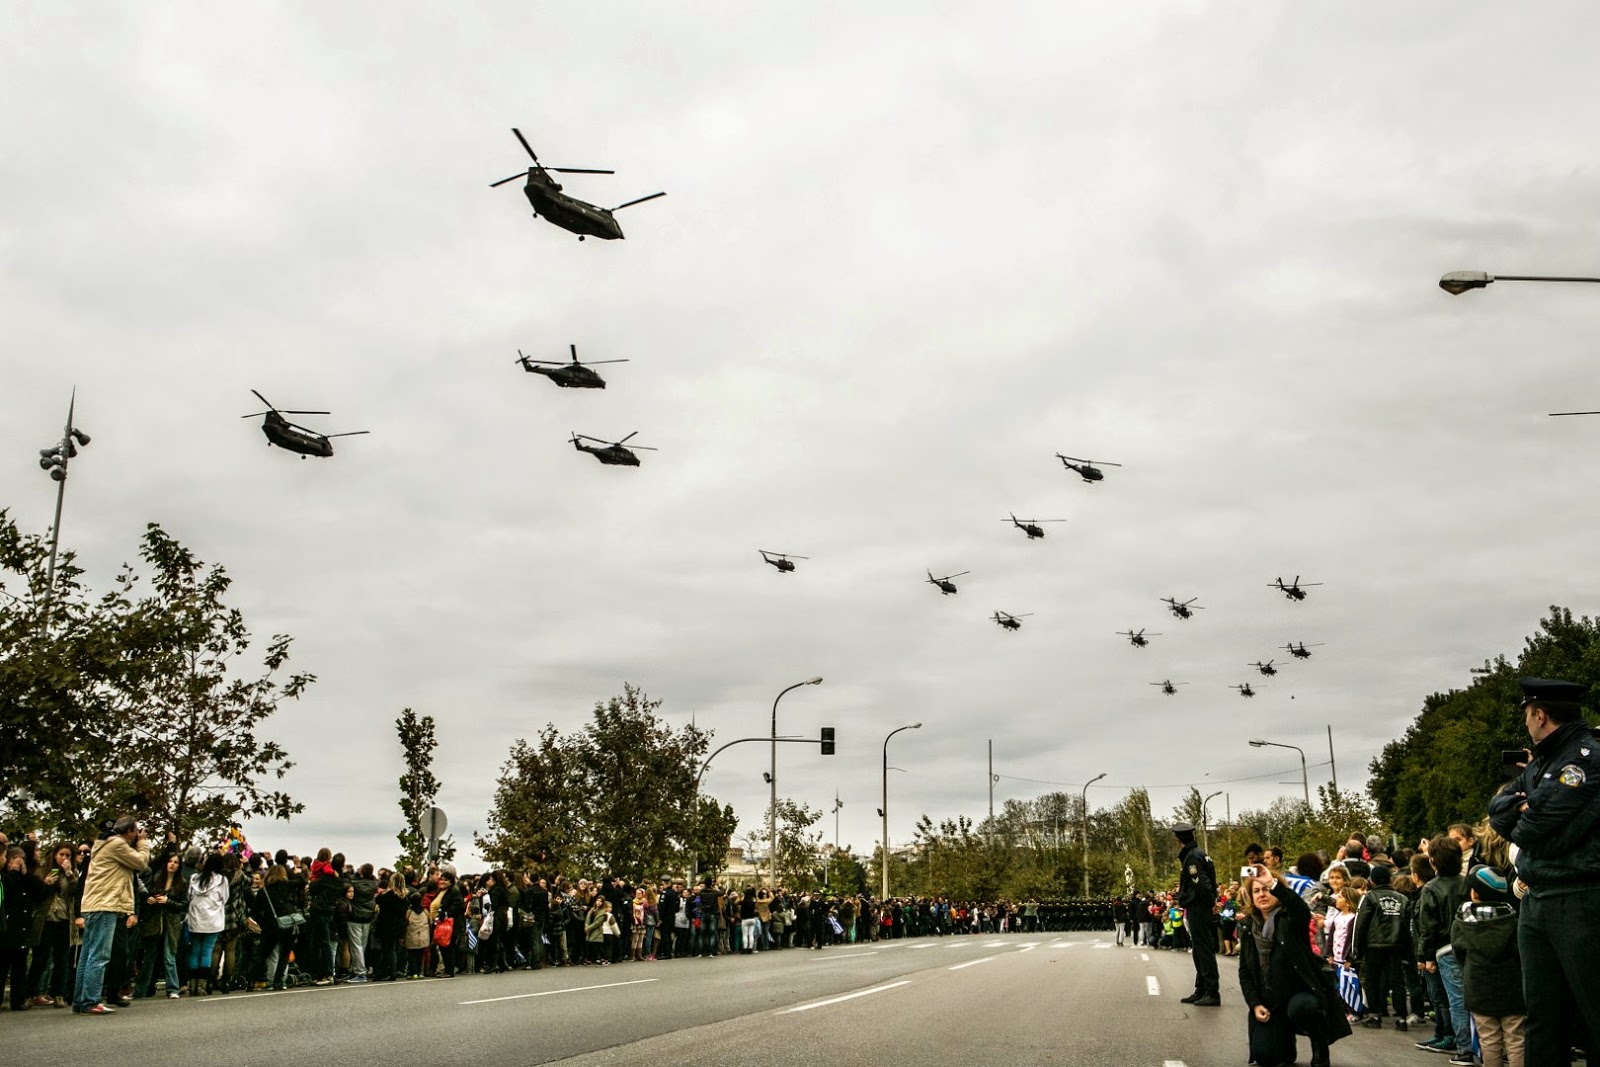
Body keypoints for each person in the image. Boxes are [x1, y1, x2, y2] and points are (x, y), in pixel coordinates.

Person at [1488, 676, 1600, 1066]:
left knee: (1593, 1013)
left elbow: (1534, 828)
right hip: (1537, 898)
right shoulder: (1542, 763)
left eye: (1526, 714)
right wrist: (1524, 810)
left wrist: (1524, 812)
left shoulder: (1584, 758)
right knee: (1542, 1018)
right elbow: (1497, 809)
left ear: (1538, 714)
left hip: (1579, 898)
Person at [1238, 864, 1352, 1067]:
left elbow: (1300, 908)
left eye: (1266, 890)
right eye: (1256, 891)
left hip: (1298, 994)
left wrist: (1271, 882)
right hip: (1270, 1001)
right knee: (1266, 1057)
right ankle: (1285, 1042)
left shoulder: (1290, 917)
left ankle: (1319, 1047)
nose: (1262, 894)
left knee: (1304, 1008)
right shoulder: (1247, 926)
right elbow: (1245, 972)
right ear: (1250, 897)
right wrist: (1255, 1004)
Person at [73, 816, 151, 1015]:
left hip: (92, 905)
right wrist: (143, 844)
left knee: (87, 955)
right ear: (130, 831)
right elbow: (141, 862)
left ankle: (80, 1000)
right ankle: (91, 1001)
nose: (137, 834)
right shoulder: (116, 844)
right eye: (136, 831)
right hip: (105, 905)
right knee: (99, 955)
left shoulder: (103, 843)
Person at [1452, 865, 1525, 1067]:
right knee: (1516, 1039)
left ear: (1474, 893)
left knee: (1489, 1040)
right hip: (1513, 987)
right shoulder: (1513, 920)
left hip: (1478, 987)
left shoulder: (1462, 922)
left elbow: (1458, 953)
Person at [1173, 823, 1220, 1006]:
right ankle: (1201, 990)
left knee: (1204, 951)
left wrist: (1209, 904)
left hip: (1198, 907)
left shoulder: (1192, 857)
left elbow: (1203, 885)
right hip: (1199, 907)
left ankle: (1211, 992)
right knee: (1199, 951)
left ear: (1179, 840)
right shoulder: (1199, 854)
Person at [186, 852, 229, 996]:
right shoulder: (222, 880)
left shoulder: (194, 878)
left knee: (195, 951)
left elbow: (189, 896)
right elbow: (225, 898)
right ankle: (201, 986)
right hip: (213, 920)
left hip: (195, 919)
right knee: (207, 951)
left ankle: (192, 985)